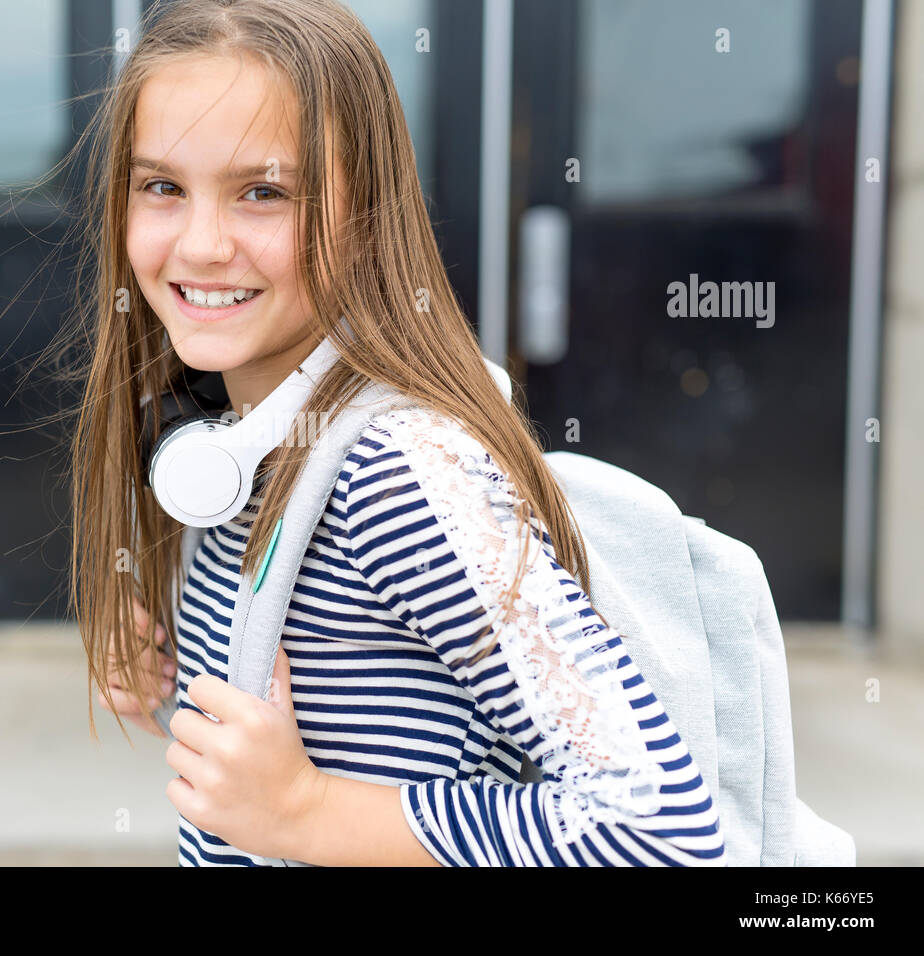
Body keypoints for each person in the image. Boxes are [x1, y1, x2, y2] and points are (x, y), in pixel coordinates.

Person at [61, 0, 725, 866]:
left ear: (365, 214)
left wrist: (304, 811)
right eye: (162, 187)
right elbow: (358, 729)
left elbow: (659, 830)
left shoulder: (396, 474)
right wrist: (174, 688)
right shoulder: (231, 448)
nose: (203, 241)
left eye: (264, 192)